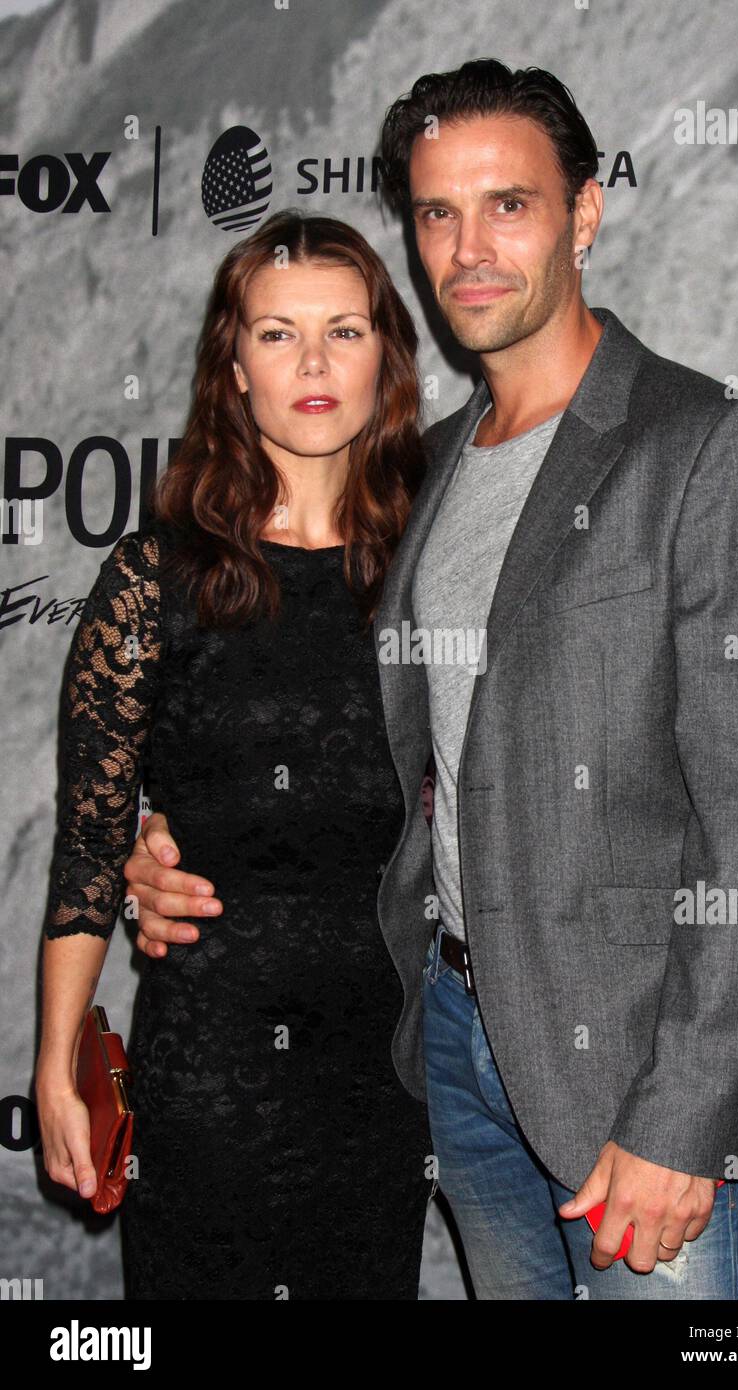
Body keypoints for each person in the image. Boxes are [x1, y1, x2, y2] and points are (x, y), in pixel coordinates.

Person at [124, 61, 738, 1300]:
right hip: (447, 1047)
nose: (468, 247)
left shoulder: (707, 442)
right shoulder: (423, 472)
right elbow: (357, 738)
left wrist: (682, 1114)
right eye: (438, 213)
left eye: (508, 204)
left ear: (585, 215)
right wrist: (180, 843)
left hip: (635, 1073)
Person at [35, 210, 433, 1300]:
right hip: (205, 1073)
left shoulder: (434, 573)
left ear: (386, 362)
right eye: (275, 333)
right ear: (233, 369)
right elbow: (89, 846)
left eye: (343, 331)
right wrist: (55, 1062)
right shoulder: (152, 580)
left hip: (384, 1081)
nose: (311, 363)